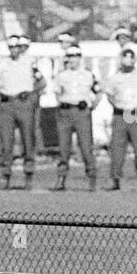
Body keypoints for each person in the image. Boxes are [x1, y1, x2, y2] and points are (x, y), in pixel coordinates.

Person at [0, 36, 45, 190]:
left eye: (17, 47)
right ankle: (6, 174)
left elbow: (42, 82)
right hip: (8, 103)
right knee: (6, 141)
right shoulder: (3, 63)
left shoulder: (29, 63)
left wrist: (30, 94)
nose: (14, 50)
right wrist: (1, 91)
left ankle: (28, 173)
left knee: (28, 140)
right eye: (11, 47)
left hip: (24, 103)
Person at [101, 46, 137, 191]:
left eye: (131, 58)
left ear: (134, 60)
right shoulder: (115, 78)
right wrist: (116, 105)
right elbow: (110, 95)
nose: (128, 61)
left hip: (135, 115)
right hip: (120, 114)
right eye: (125, 58)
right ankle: (115, 180)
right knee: (117, 149)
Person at [51, 45, 100, 191]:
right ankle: (61, 178)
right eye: (70, 57)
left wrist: (91, 106)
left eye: (75, 56)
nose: (72, 60)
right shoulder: (62, 75)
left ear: (80, 58)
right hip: (65, 112)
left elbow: (99, 92)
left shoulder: (87, 74)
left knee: (86, 147)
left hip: (81, 111)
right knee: (63, 148)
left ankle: (91, 178)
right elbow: (57, 92)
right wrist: (61, 104)